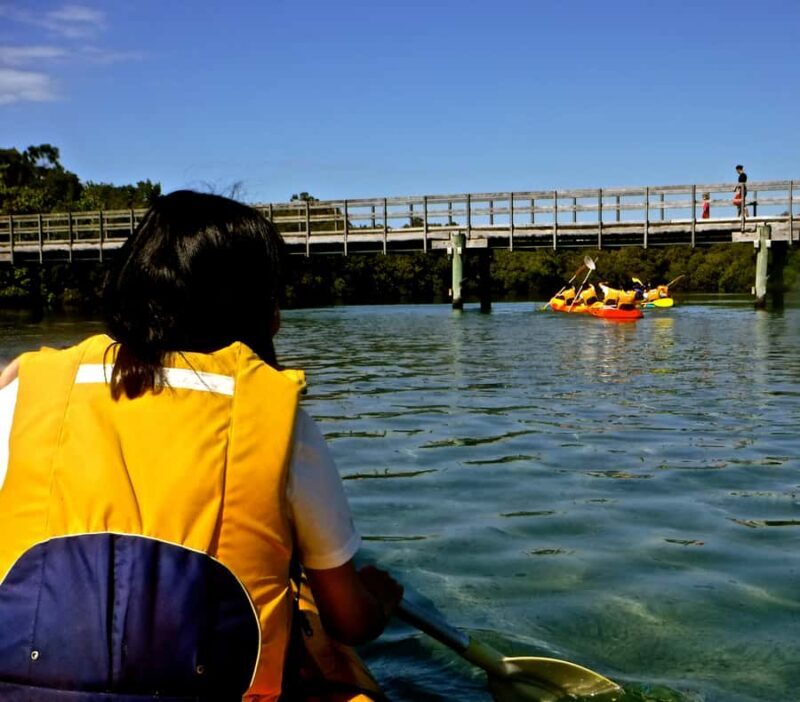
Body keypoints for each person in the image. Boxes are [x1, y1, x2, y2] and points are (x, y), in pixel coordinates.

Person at [0, 190, 403, 701]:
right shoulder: (280, 417)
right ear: (263, 312)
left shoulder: (25, 392)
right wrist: (381, 601)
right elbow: (350, 622)